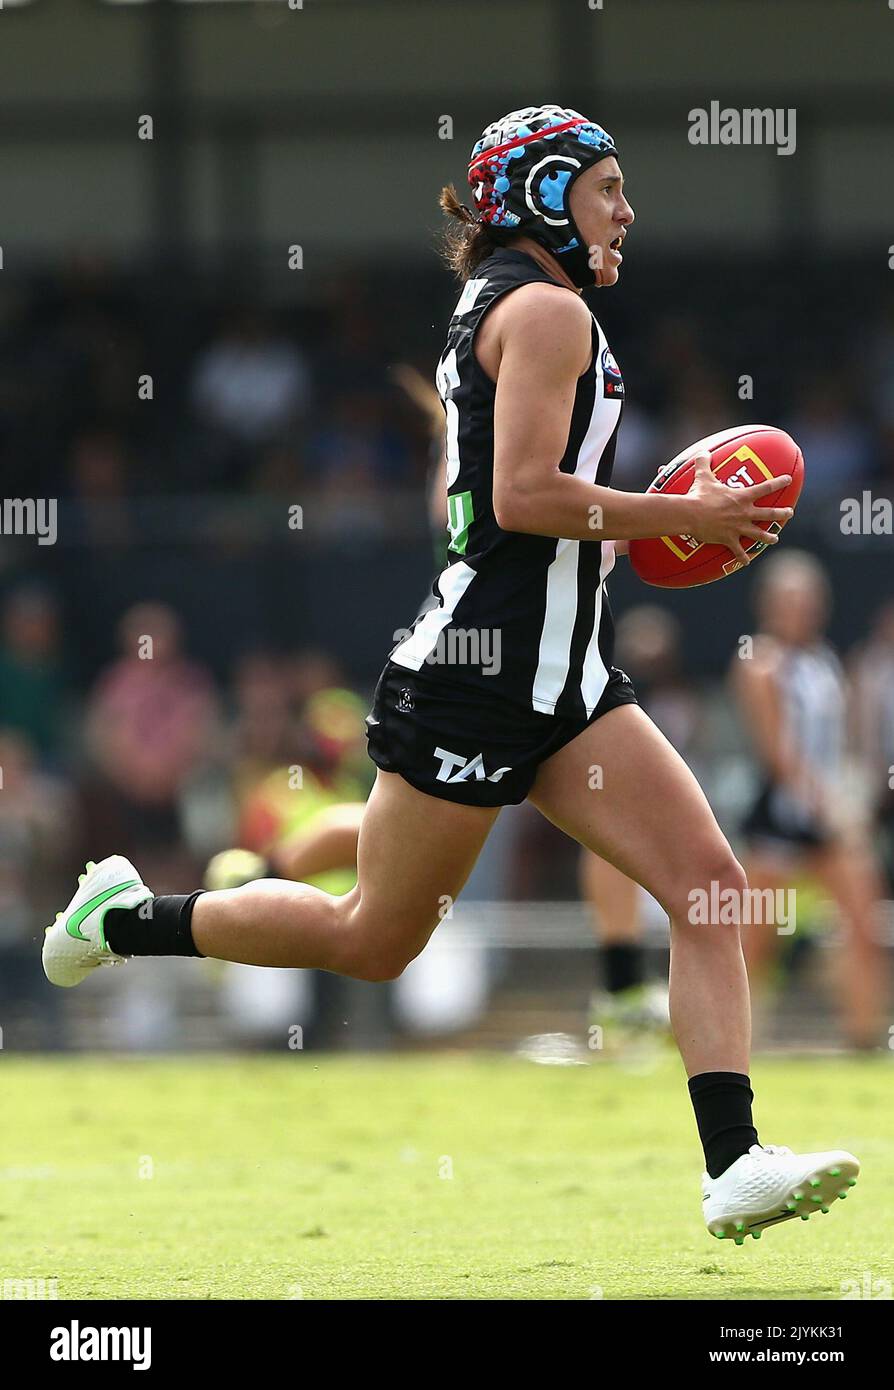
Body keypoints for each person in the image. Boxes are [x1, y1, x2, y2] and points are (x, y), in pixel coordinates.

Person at [44, 105, 857, 1243]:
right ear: (538, 194)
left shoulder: (518, 304)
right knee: (372, 937)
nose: (629, 210)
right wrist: (687, 510)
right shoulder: (549, 309)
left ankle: (735, 1162)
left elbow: (506, 505)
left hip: (564, 675)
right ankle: (124, 917)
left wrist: (643, 534)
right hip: (478, 678)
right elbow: (522, 497)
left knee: (708, 886)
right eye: (607, 187)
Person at [731, 551, 886, 1049]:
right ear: (769, 604)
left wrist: (849, 797)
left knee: (864, 922)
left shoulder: (824, 661)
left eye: (809, 601)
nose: (802, 610)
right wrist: (828, 805)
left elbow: (841, 743)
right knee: (756, 944)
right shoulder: (760, 660)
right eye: (791, 601)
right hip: (781, 818)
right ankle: (738, 1048)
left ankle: (863, 1038)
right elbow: (779, 753)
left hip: (828, 817)